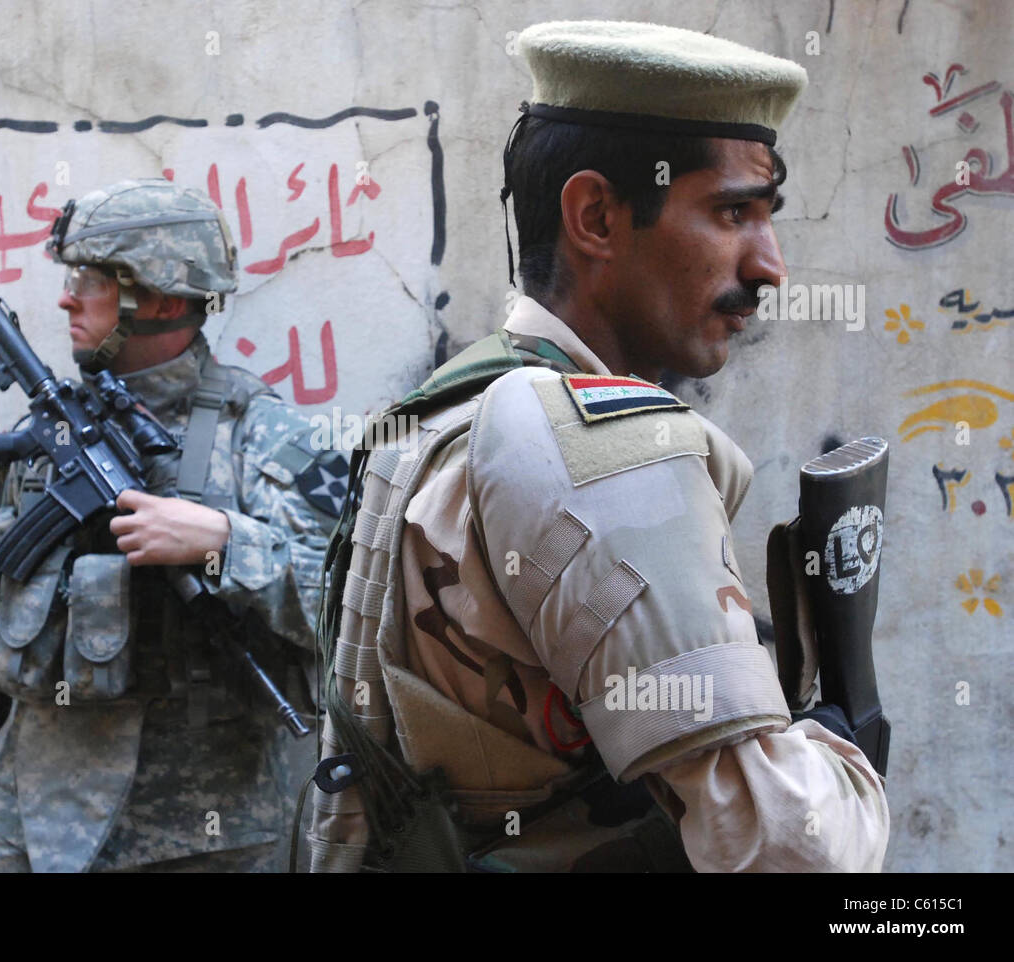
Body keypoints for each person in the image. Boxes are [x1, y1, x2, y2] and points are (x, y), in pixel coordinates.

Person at [307, 20, 890, 872]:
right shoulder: (604, 449)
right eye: (733, 211)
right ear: (596, 217)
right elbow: (789, 844)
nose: (771, 266)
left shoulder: (440, 411)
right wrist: (842, 762)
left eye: (769, 218)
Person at [0, 178, 346, 872]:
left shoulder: (263, 437)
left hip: (201, 838)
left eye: (88, 280)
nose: (66, 297)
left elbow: (348, 608)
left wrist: (223, 543)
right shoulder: (49, 433)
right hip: (33, 825)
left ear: (162, 298)